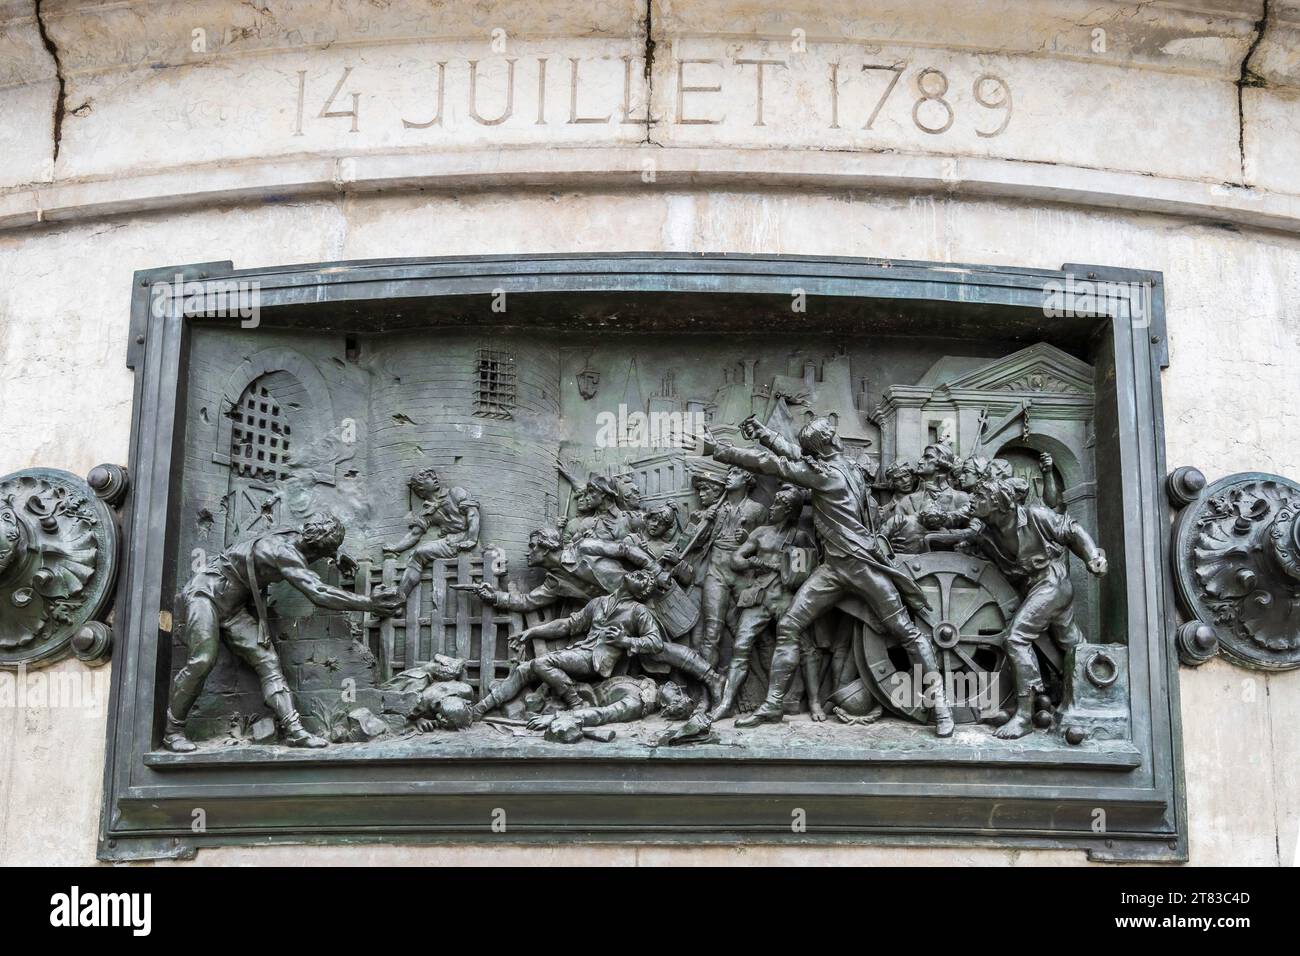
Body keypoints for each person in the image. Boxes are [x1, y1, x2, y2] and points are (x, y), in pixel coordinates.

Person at [700, 416, 954, 736]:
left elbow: (773, 464)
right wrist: (765, 434)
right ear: (831, 443)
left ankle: (940, 707)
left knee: (906, 632)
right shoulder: (842, 466)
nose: (837, 437)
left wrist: (719, 450)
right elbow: (790, 454)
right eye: (833, 434)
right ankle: (773, 705)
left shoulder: (827, 476)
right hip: (833, 570)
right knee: (790, 625)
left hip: (861, 566)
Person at [164, 513, 402, 752]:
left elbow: (310, 548)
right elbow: (318, 592)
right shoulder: (283, 553)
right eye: (322, 553)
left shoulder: (293, 534)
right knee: (202, 660)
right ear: (315, 549)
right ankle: (172, 731)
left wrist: (335, 555)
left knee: (267, 661)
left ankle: (295, 732)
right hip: (205, 593)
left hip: (234, 607)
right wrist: (369, 602)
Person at [951, 475, 1108, 739]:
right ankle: (1093, 695)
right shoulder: (986, 534)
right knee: (1070, 643)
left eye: (980, 497)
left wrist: (1093, 556)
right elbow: (960, 540)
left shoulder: (1034, 515)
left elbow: (1071, 530)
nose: (973, 500)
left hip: (1051, 583)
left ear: (999, 503)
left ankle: (1024, 717)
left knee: (1015, 638)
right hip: (1028, 589)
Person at [470, 568, 723, 715]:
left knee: (541, 663)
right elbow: (568, 625)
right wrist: (533, 632)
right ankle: (481, 708)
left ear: (642, 590)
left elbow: (655, 643)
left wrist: (625, 641)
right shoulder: (599, 603)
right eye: (636, 573)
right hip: (578, 651)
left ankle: (576, 703)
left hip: (594, 661)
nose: (636, 574)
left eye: (641, 577)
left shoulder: (638, 611)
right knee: (525, 669)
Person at [707, 483, 817, 722]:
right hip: (758, 596)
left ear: (789, 510)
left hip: (785, 599)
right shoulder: (760, 533)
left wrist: (790, 570)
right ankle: (726, 703)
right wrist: (761, 564)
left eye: (778, 504)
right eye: (774, 501)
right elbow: (737, 558)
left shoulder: (799, 537)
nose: (772, 507)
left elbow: (809, 569)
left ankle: (815, 703)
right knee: (741, 646)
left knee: (806, 647)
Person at [382, 467, 480, 604]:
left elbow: (473, 515)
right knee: (418, 554)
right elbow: (414, 535)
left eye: (434, 475)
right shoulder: (427, 511)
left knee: (419, 554)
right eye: (427, 477)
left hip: (465, 538)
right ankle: (400, 598)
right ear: (420, 489)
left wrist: (472, 539)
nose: (434, 478)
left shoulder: (456, 492)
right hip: (451, 541)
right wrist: (396, 548)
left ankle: (399, 598)